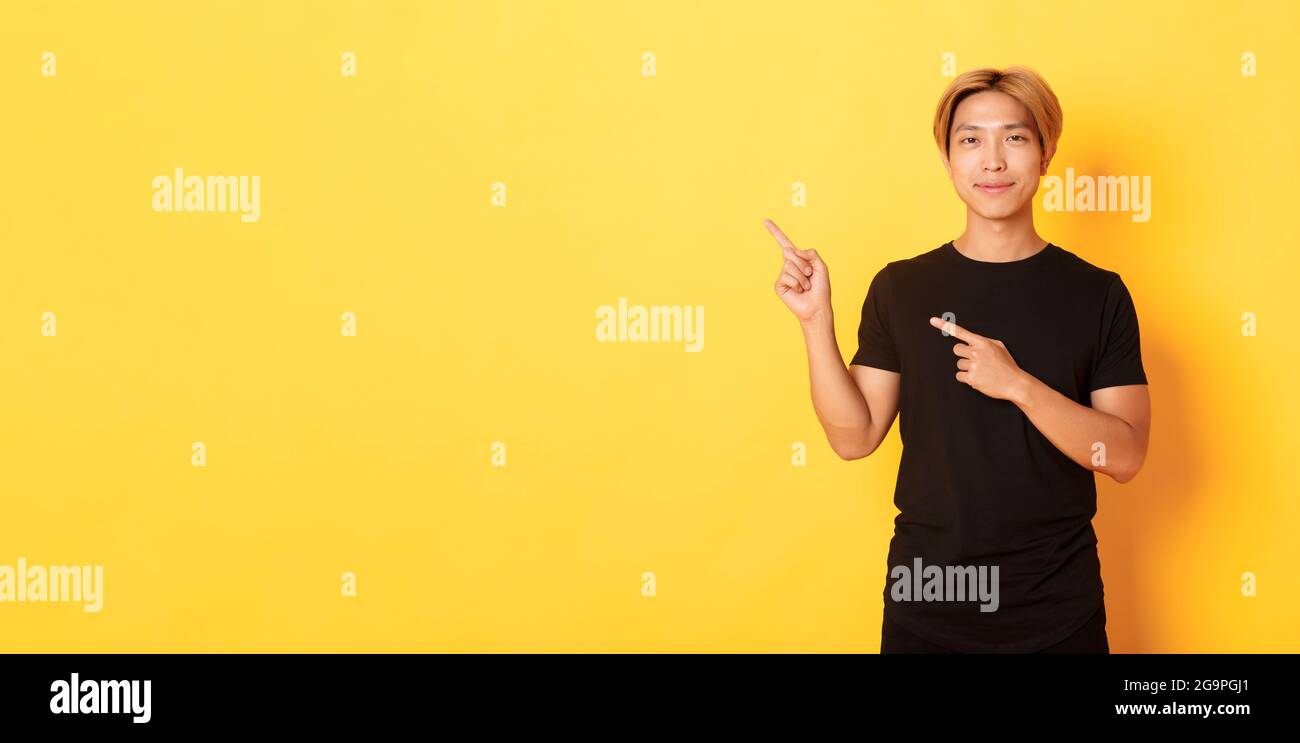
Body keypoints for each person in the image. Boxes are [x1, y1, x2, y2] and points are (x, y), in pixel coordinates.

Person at [763, 65, 1150, 653]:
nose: (992, 160)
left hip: (1056, 610)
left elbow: (1124, 455)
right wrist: (816, 323)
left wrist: (1019, 384)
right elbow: (854, 436)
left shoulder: (1098, 294)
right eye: (970, 139)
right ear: (947, 160)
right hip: (929, 604)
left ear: (1045, 154)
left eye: (1014, 137)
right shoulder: (901, 288)